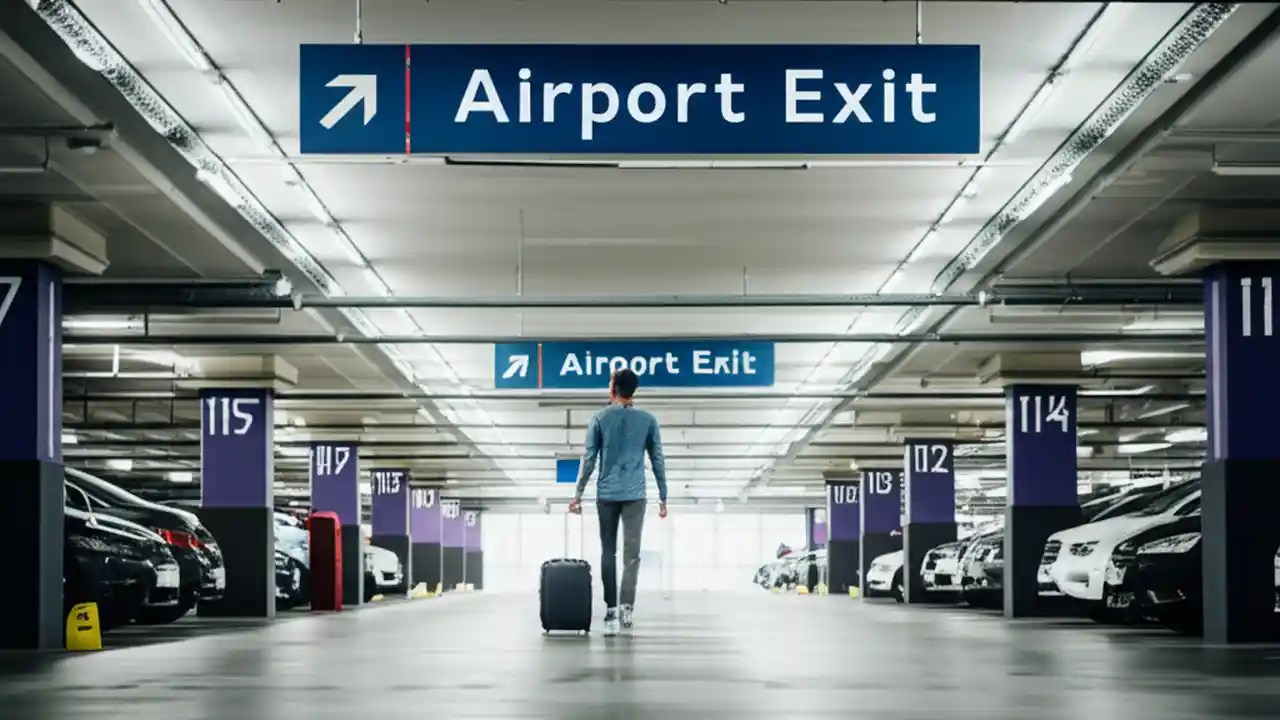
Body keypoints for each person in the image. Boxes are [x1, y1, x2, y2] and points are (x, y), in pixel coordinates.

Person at [568, 368, 668, 636]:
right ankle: (627, 608)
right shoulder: (648, 421)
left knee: (608, 552)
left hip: (607, 495)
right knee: (632, 554)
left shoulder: (599, 418)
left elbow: (589, 459)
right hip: (636, 494)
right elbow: (658, 460)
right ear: (634, 390)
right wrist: (663, 496)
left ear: (613, 389)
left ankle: (611, 609)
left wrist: (577, 495)